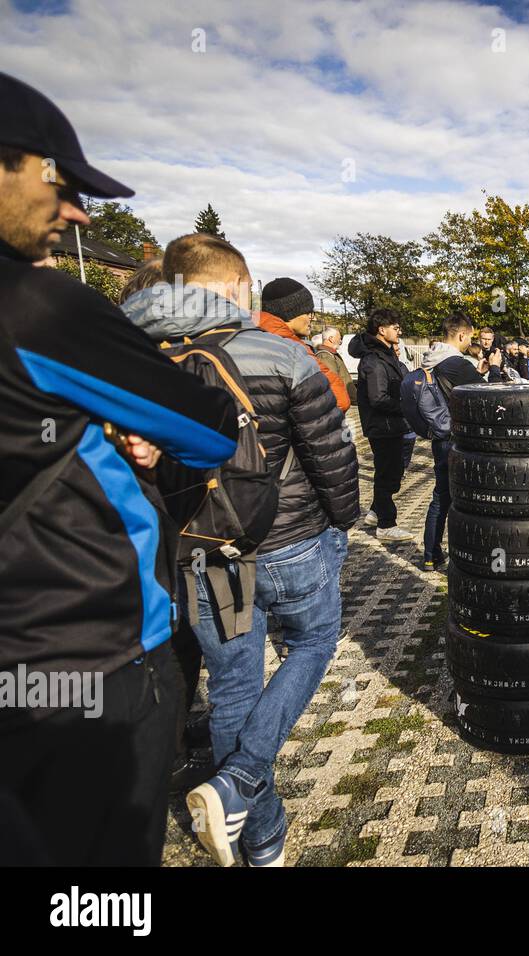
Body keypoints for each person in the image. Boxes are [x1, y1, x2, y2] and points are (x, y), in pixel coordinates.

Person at [0, 74, 241, 866]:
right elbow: (207, 432)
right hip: (86, 654)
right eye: (61, 185)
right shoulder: (38, 306)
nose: (75, 213)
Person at [119, 231, 358, 868]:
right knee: (312, 643)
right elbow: (331, 455)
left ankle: (261, 842)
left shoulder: (136, 359)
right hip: (294, 543)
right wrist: (343, 524)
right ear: (234, 287)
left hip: (211, 553)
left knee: (233, 689)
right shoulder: (282, 354)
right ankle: (240, 781)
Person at [409, 314, 484, 572]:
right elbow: (489, 391)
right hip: (457, 437)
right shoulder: (455, 362)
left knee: (441, 496)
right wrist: (494, 368)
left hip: (439, 437)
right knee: (466, 497)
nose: (470, 342)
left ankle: (431, 555)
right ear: (462, 335)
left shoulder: (432, 359)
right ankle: (467, 553)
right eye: (470, 337)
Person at [350, 309, 414, 541]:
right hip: (383, 427)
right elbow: (378, 398)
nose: (399, 331)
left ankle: (377, 512)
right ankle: (386, 524)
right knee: (388, 474)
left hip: (391, 425)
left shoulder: (385, 355)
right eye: (395, 327)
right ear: (381, 329)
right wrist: (405, 405)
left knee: (391, 473)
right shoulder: (374, 360)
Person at [257, 277, 350, 412]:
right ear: (290, 312)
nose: (312, 318)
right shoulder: (293, 349)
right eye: (308, 312)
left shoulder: (255, 339)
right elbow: (339, 400)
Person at [316, 325, 357, 407]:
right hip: (335, 406)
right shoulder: (325, 356)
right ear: (331, 339)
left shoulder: (331, 355)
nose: (340, 341)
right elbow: (332, 384)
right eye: (339, 338)